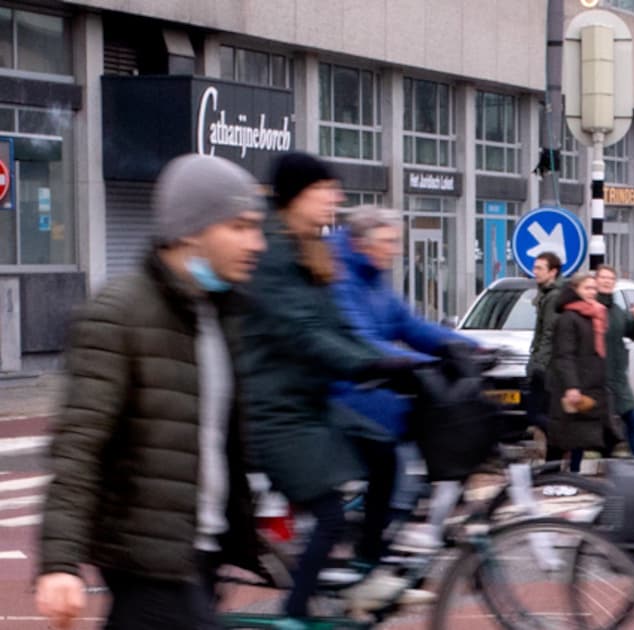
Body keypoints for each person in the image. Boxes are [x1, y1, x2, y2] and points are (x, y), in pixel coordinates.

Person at [36, 154, 266, 630]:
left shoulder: (218, 313)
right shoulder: (120, 313)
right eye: (240, 227)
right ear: (191, 230)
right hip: (147, 560)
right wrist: (59, 563)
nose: (256, 243)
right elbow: (79, 445)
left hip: (197, 554)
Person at [238, 153, 414, 623]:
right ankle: (294, 614)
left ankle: (366, 565)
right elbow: (303, 333)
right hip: (271, 409)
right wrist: (372, 362)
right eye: (324, 189)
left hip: (309, 402)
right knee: (331, 512)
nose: (335, 198)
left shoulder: (312, 248)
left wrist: (392, 361)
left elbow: (335, 325)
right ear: (296, 194)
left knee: (383, 450)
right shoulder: (270, 253)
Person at [328, 206, 477, 550]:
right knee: (402, 431)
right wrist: (424, 365)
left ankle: (401, 515)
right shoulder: (341, 277)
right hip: (345, 386)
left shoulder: (374, 278)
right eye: (389, 241)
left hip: (374, 380)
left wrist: (469, 347)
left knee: (439, 421)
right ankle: (381, 536)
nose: (395, 249)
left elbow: (408, 325)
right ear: (362, 242)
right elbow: (360, 341)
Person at [547, 273, 616, 472]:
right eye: (587, 288)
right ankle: (550, 478)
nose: (592, 293)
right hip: (574, 387)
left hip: (593, 386)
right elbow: (564, 355)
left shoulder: (597, 314)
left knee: (591, 436)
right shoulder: (568, 318)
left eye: (594, 289)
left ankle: (577, 474)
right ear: (575, 291)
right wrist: (571, 386)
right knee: (564, 439)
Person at [595, 264, 634, 455]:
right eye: (603, 278)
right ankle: (576, 469)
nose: (607, 281)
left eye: (611, 278)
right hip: (596, 379)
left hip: (618, 379)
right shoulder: (591, 309)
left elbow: (633, 334)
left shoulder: (617, 311)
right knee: (596, 428)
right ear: (596, 280)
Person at [526, 251, 563, 438]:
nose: (535, 272)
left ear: (552, 272)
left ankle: (565, 438)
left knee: (535, 414)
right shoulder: (545, 294)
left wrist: (538, 365)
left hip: (547, 368)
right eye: (535, 267)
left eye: (540, 268)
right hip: (545, 365)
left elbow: (548, 333)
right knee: (540, 414)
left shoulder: (553, 297)